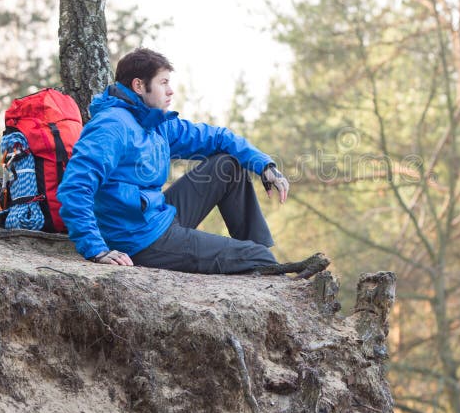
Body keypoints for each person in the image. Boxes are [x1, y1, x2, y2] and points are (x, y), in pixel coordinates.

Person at [57, 48, 328, 278]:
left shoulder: (154, 123)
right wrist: (97, 249)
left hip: (156, 216)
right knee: (257, 256)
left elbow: (217, 138)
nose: (170, 91)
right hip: (138, 239)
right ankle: (258, 259)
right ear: (139, 85)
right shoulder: (112, 126)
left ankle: (257, 258)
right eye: (163, 83)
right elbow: (75, 187)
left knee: (227, 165)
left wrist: (265, 166)